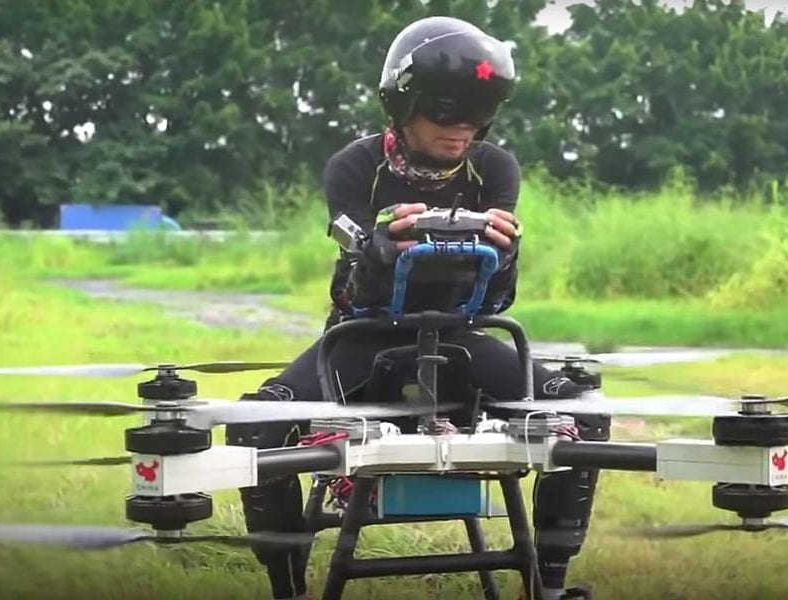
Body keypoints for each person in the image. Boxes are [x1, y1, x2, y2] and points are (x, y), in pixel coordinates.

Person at [225, 16, 610, 600]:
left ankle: (550, 586)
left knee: (583, 412)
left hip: (462, 337)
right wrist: (379, 249)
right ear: (402, 106)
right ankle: (287, 588)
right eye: (446, 112)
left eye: (477, 114)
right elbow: (353, 288)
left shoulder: (496, 168)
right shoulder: (353, 167)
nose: (462, 129)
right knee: (257, 423)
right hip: (360, 339)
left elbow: (498, 297)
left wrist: (506, 255)